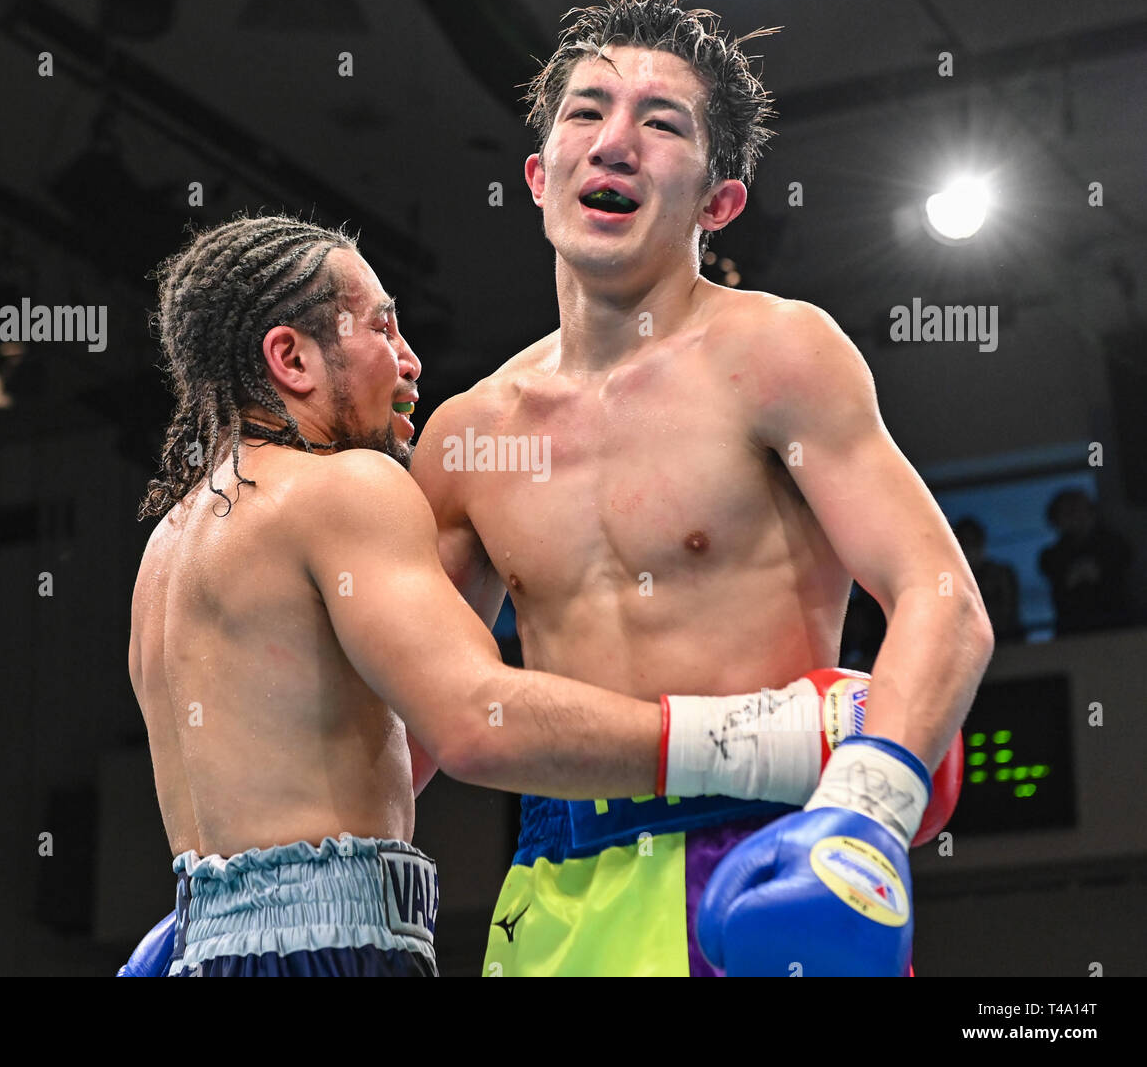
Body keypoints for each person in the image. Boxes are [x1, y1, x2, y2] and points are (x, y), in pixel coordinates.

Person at [119, 213, 889, 978]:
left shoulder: (167, 550)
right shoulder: (347, 488)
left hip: (204, 943)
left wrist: (223, 913)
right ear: (291, 358)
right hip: (335, 952)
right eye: (384, 329)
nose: (411, 360)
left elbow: (361, 752)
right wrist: (770, 737)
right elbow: (474, 722)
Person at [409, 0, 993, 977]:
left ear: (718, 200)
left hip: (762, 859)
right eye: (587, 110)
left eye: (662, 122)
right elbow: (406, 722)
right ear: (542, 172)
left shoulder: (776, 354)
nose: (615, 139)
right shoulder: (466, 435)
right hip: (553, 887)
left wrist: (866, 814)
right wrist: (263, 874)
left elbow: (942, 599)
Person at [1038, 488, 1133, 635]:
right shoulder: (1052, 556)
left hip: (1116, 625)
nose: (1075, 518)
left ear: (1091, 512)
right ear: (1057, 520)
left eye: (1077, 510)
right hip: (1073, 630)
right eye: (1067, 513)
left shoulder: (1114, 545)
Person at [953, 517, 1022, 642]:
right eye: (965, 542)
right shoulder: (947, 578)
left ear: (982, 542)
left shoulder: (1002, 573)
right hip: (965, 644)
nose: (970, 548)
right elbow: (947, 614)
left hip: (1005, 641)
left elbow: (1009, 611)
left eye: (974, 541)